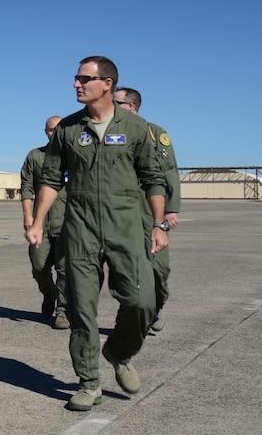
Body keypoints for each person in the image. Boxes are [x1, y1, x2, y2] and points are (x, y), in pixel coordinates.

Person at [25, 56, 169, 411]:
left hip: (125, 226)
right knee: (81, 311)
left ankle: (119, 351)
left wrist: (160, 223)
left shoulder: (137, 128)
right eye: (75, 78)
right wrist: (37, 222)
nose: (76, 84)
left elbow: (154, 178)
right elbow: (51, 180)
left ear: (106, 83)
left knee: (141, 301)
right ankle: (89, 383)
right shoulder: (68, 129)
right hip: (81, 228)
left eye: (83, 78)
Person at [115, 87, 181, 332]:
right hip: (121, 209)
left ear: (131, 106)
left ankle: (156, 306)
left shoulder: (154, 133)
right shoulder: (109, 132)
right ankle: (136, 316)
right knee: (128, 270)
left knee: (158, 268)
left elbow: (169, 170)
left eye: (117, 102)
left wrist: (170, 209)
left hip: (151, 207)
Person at [20, 116, 69, 329]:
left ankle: (63, 311)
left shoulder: (74, 156)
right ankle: (49, 294)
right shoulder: (35, 156)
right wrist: (27, 216)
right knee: (39, 267)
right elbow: (27, 186)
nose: (54, 133)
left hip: (68, 221)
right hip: (41, 222)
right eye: (51, 130)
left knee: (65, 269)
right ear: (45, 132)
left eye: (58, 129)